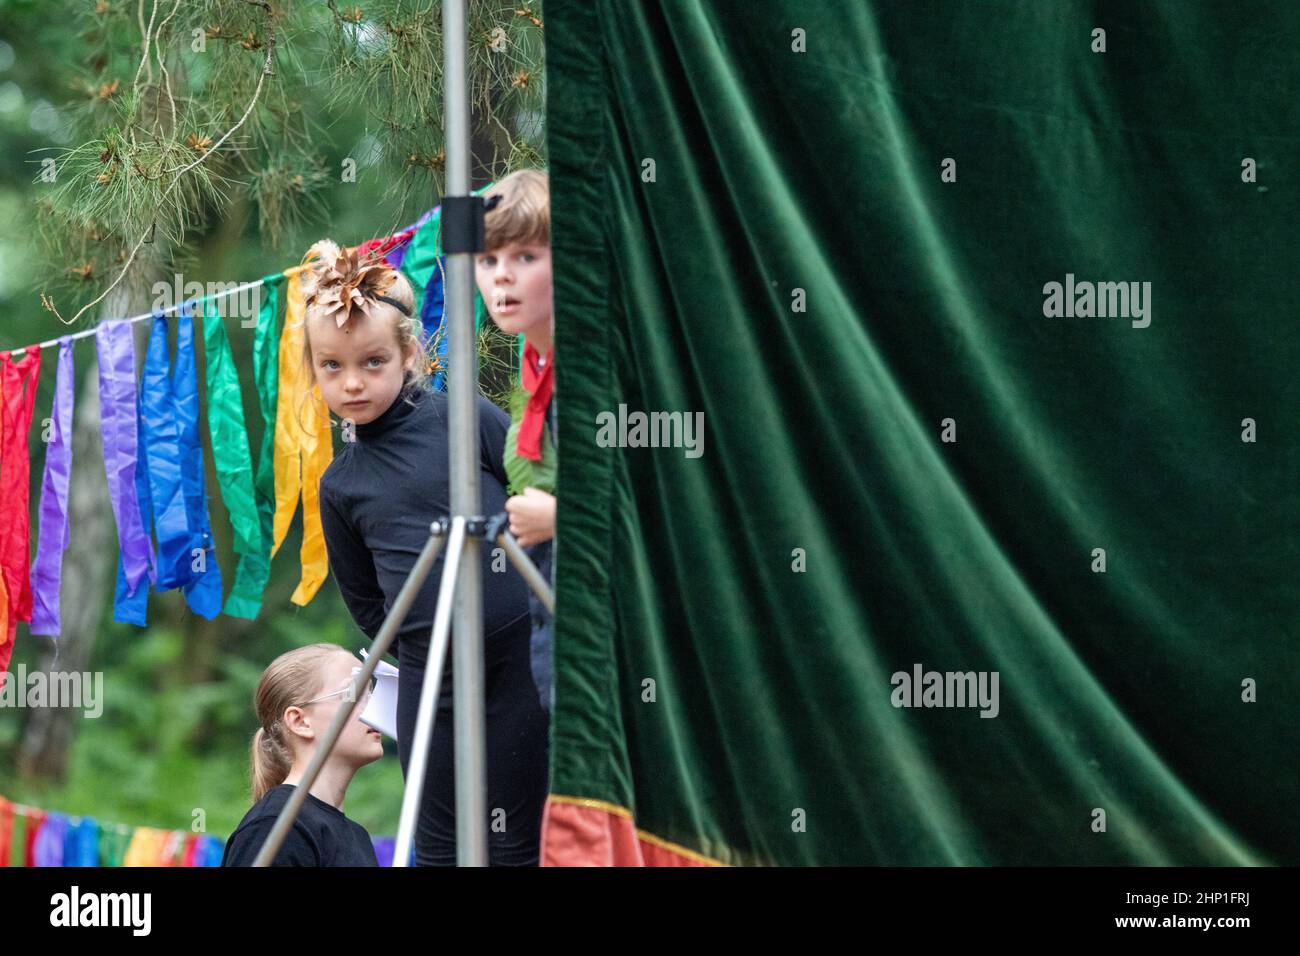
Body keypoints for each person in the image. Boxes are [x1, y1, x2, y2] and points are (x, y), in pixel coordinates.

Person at [307, 239, 547, 866]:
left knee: (517, 836)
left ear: (410, 354)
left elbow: (537, 497)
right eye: (332, 366)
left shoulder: (464, 419)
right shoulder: (341, 483)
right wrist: (417, 639)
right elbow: (365, 599)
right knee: (439, 842)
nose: (353, 382)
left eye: (373, 362)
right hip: (427, 675)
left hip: (517, 654)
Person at [474, 168, 557, 714]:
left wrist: (562, 517)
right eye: (488, 260)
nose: (501, 277)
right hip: (549, 603)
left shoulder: (603, 362)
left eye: (525, 257)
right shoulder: (532, 366)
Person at [222, 643, 383, 866]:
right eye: (354, 692)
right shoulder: (276, 825)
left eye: (372, 693)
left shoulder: (358, 837)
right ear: (300, 721)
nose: (374, 707)